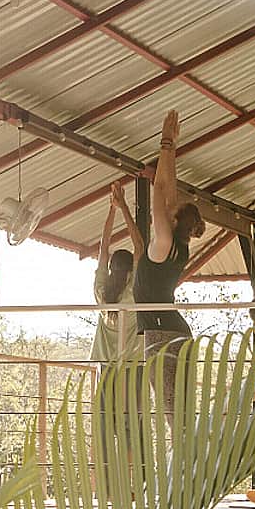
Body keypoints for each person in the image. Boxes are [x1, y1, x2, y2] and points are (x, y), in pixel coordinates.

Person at [133, 109, 206, 433]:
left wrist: (164, 147)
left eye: (172, 211)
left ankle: (189, 472)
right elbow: (167, 188)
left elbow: (160, 190)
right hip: (170, 329)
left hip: (163, 333)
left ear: (174, 221)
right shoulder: (173, 243)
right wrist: (169, 146)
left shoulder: (163, 243)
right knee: (177, 408)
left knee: (172, 409)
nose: (169, 207)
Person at [91, 181, 146, 452]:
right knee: (131, 421)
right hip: (133, 363)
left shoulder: (102, 291)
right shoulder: (133, 290)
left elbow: (103, 250)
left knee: (104, 420)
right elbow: (140, 246)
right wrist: (123, 206)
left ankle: (107, 479)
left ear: (112, 268)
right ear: (129, 269)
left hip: (106, 365)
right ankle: (133, 477)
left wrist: (110, 211)